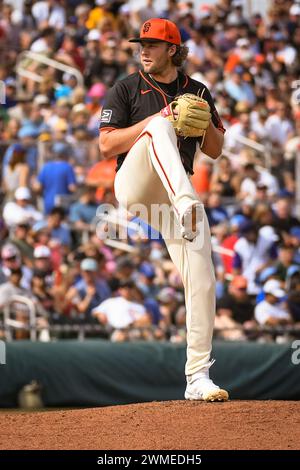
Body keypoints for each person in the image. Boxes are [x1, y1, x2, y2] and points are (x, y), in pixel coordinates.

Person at [99, 18, 228, 401]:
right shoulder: (126, 87)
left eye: (153, 44)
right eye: (142, 43)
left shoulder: (198, 90)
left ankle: (198, 378)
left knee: (202, 278)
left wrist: (205, 124)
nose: (144, 49)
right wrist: (160, 118)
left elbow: (215, 150)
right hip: (137, 187)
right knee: (158, 126)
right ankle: (188, 201)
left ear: (173, 50)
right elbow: (107, 147)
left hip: (173, 195)